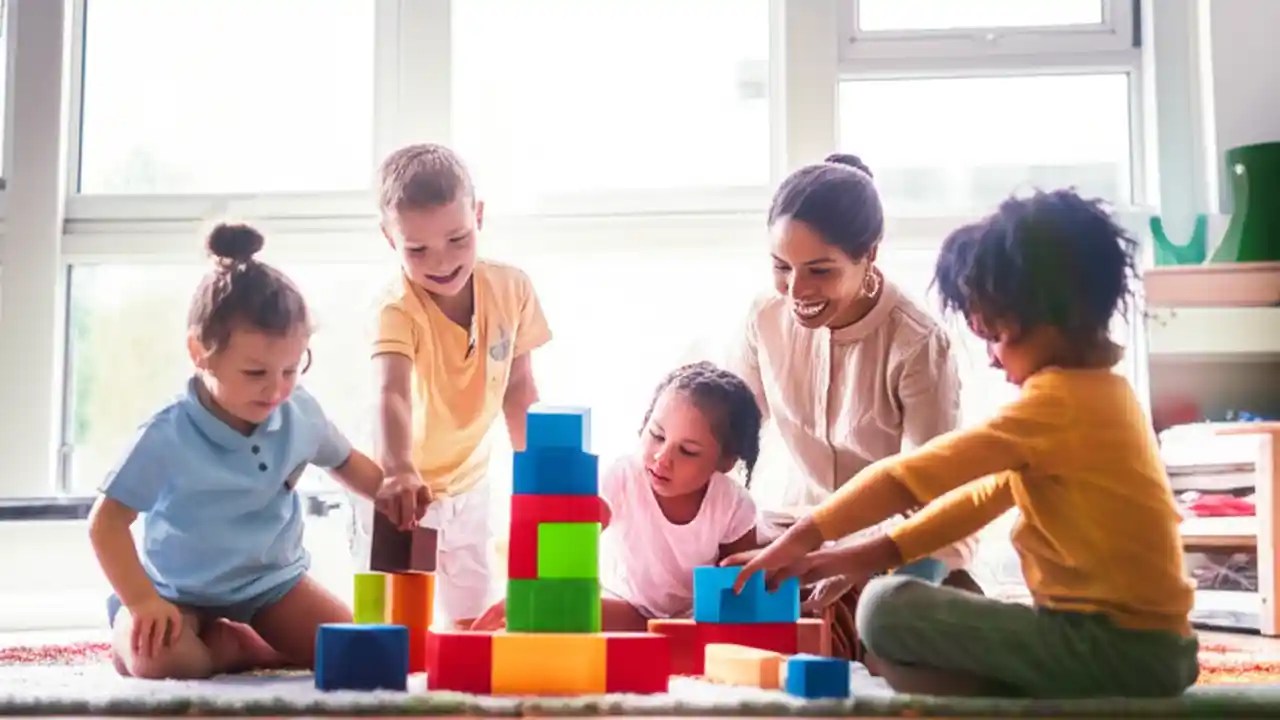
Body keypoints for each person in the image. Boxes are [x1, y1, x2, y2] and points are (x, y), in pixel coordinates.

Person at [724, 189, 1199, 698]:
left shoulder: (1057, 403)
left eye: (997, 337)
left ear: (1055, 321)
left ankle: (1029, 696)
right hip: (1148, 648)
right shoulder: (1105, 393)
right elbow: (978, 500)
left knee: (885, 608)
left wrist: (801, 542)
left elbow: (909, 477)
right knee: (889, 647)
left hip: (1117, 648)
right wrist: (842, 558)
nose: (992, 358)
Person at [87, 223, 429, 680]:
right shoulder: (166, 434)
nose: (276, 389)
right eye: (254, 372)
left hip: (271, 584)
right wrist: (142, 601)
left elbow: (344, 461)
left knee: (353, 653)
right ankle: (202, 641)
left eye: (292, 369)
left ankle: (249, 645)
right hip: (175, 589)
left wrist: (388, 491)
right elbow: (106, 523)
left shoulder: (299, 412)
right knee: (160, 661)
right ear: (199, 351)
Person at [726, 153, 980, 656]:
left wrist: (847, 560)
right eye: (782, 267)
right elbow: (729, 439)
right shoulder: (764, 317)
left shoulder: (917, 343)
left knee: (878, 623)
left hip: (895, 544)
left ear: (870, 255)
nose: (796, 290)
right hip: (797, 528)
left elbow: (929, 498)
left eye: (819, 270)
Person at [354, 142, 552, 630]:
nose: (441, 261)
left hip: (468, 483)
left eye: (457, 239)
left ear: (478, 216)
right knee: (393, 628)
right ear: (389, 239)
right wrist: (398, 470)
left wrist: (545, 479)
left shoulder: (512, 288)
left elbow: (519, 389)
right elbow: (391, 392)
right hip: (400, 494)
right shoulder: (395, 308)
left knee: (473, 619)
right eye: (417, 249)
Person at [471, 361, 764, 631]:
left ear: (725, 462)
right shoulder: (624, 476)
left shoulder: (732, 504)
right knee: (560, 613)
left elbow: (742, 581)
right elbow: (573, 536)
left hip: (694, 617)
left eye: (687, 451)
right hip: (629, 607)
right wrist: (533, 598)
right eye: (657, 435)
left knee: (732, 626)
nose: (662, 458)